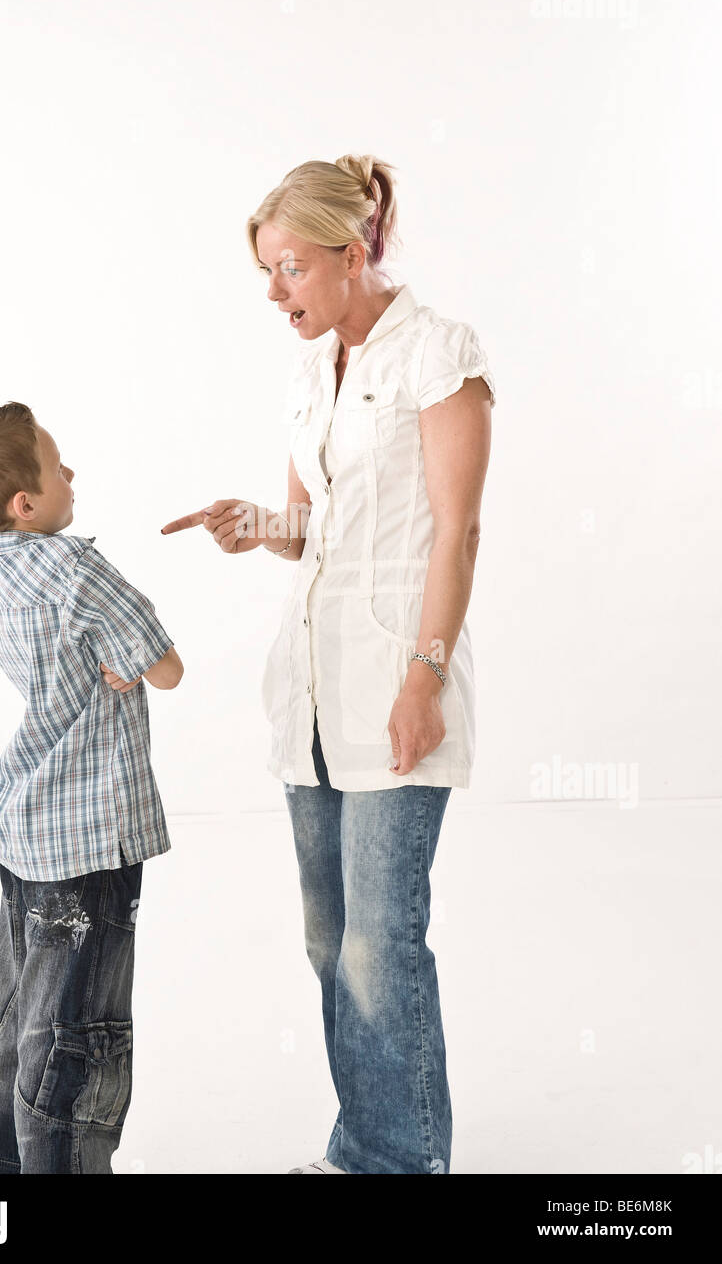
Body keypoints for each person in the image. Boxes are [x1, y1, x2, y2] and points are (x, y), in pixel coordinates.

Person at [161, 153, 495, 1174]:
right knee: (329, 942)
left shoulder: (437, 354)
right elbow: (312, 530)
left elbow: (456, 531)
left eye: (291, 268)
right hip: (308, 696)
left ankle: (400, 1162)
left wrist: (423, 676)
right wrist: (250, 521)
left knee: (378, 946)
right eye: (266, 271)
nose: (273, 292)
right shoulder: (312, 372)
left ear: (352, 255)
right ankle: (368, 1149)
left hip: (398, 686)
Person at [0, 402, 182, 1173]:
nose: (70, 472)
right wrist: (130, 660)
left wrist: (107, 658)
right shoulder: (76, 570)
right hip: (92, 839)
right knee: (77, 1042)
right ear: (25, 504)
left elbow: (70, 660)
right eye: (56, 463)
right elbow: (167, 667)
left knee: (21, 1029)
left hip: (27, 827)